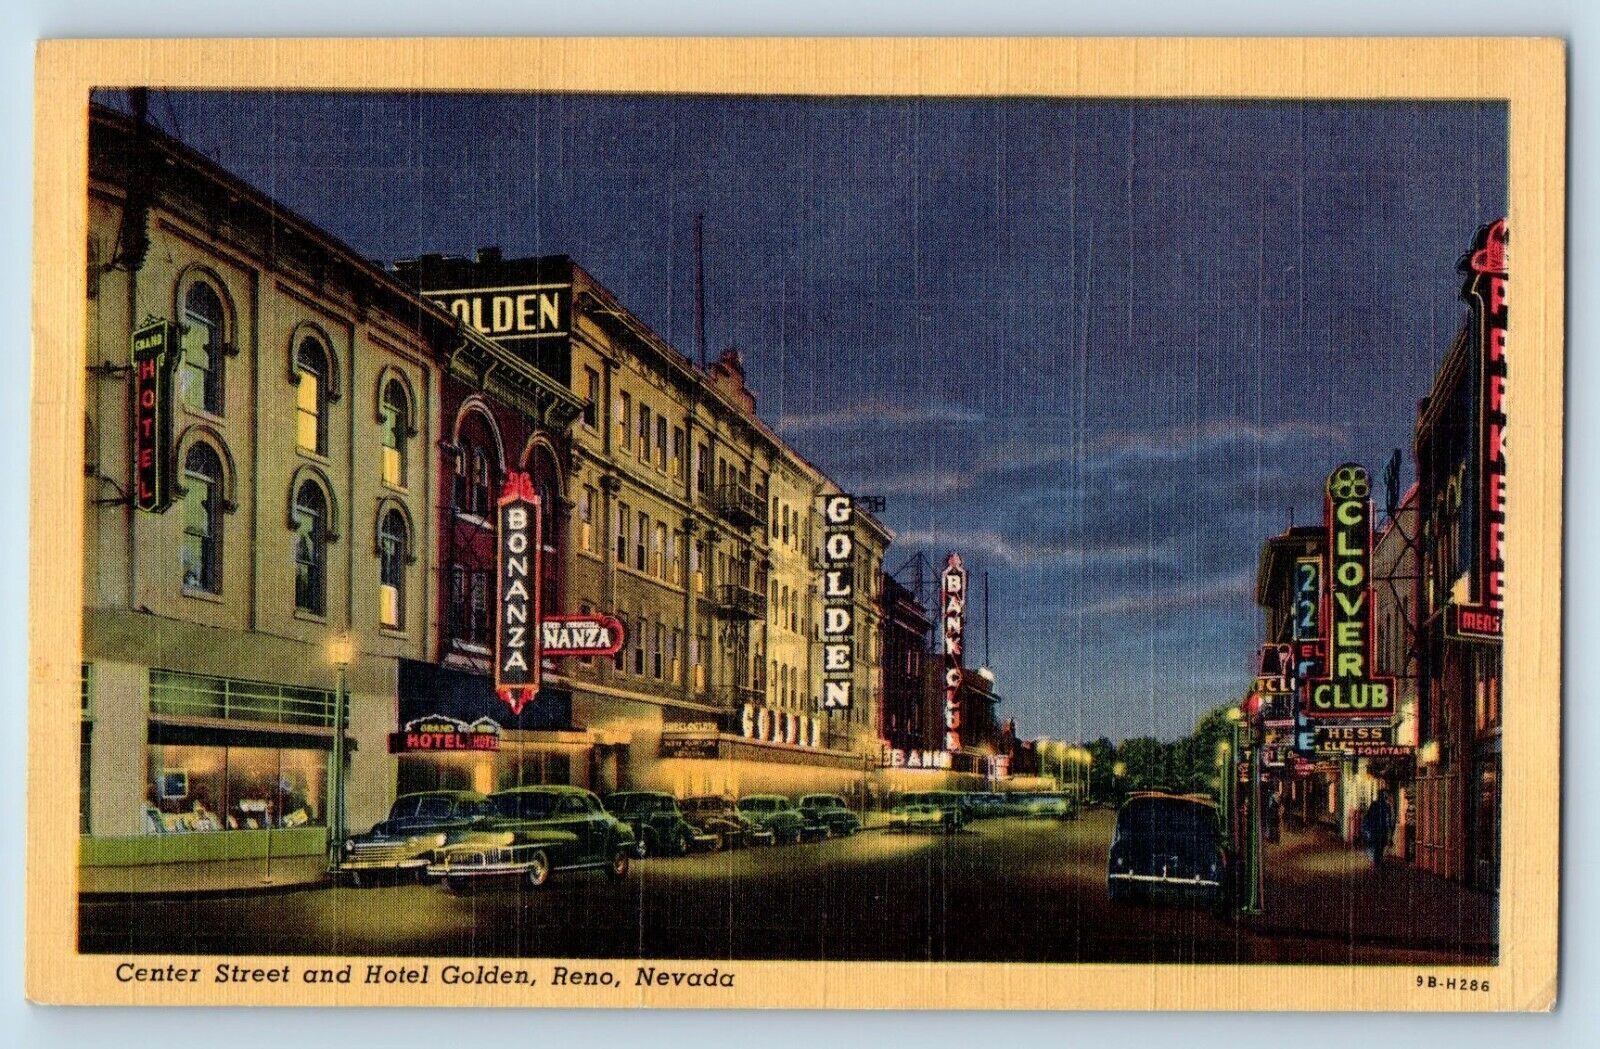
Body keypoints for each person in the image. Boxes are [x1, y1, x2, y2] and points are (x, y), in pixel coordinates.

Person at [1361, 790, 1396, 867]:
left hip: (1376, 828)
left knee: (1377, 845)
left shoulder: (1375, 804)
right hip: (1381, 829)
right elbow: (1388, 818)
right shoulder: (1385, 805)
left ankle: (1376, 861)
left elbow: (1368, 816)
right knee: (1380, 845)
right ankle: (1377, 861)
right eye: (1385, 796)